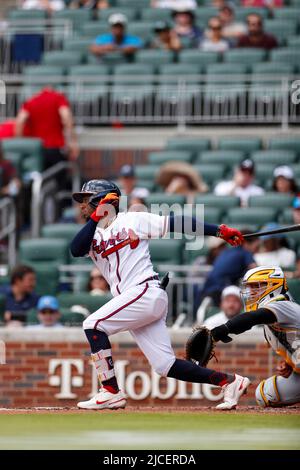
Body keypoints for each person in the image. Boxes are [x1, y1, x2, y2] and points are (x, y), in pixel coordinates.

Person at [70, 178, 249, 410]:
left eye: (86, 200)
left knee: (93, 325)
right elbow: (75, 250)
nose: (82, 205)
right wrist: (96, 217)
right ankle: (229, 381)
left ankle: (110, 391)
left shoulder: (133, 219)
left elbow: (176, 223)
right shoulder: (91, 234)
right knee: (165, 365)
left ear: (101, 199)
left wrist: (217, 230)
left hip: (144, 291)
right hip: (135, 299)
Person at [211, 266, 300, 408]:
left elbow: (252, 318)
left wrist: (223, 329)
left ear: (273, 286)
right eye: (249, 287)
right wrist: (290, 363)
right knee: (266, 394)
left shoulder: (282, 304)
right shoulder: (276, 314)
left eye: (256, 286)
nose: (251, 292)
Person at [15, 86, 79, 177]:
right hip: (56, 147)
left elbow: (20, 121)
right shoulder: (58, 98)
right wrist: (72, 142)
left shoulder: (32, 100)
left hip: (37, 149)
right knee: (59, 178)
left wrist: (20, 142)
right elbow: (66, 117)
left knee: (41, 180)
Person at [196, 231, 258, 307]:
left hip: (207, 290)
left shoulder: (225, 252)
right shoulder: (245, 252)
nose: (256, 249)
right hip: (220, 291)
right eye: (256, 246)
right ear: (246, 243)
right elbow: (255, 271)